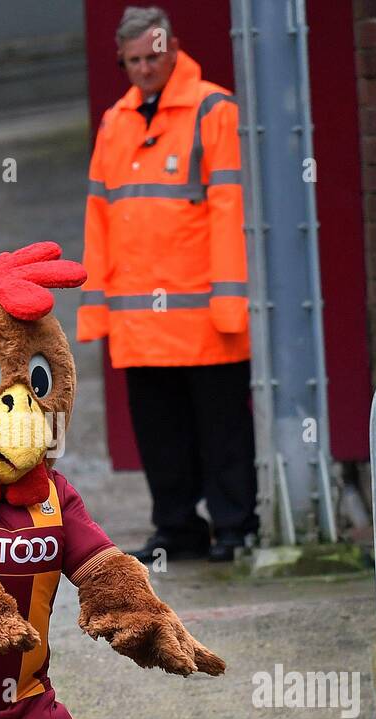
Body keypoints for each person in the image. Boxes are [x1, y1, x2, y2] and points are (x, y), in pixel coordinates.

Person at [78, 5, 255, 564]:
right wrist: (97, 311)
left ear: (172, 46)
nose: (144, 69)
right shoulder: (116, 122)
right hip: (140, 318)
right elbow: (99, 219)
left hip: (203, 311)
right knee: (160, 436)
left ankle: (233, 526)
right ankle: (176, 528)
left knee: (221, 429)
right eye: (132, 61)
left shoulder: (213, 111)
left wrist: (232, 302)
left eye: (152, 57)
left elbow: (231, 213)